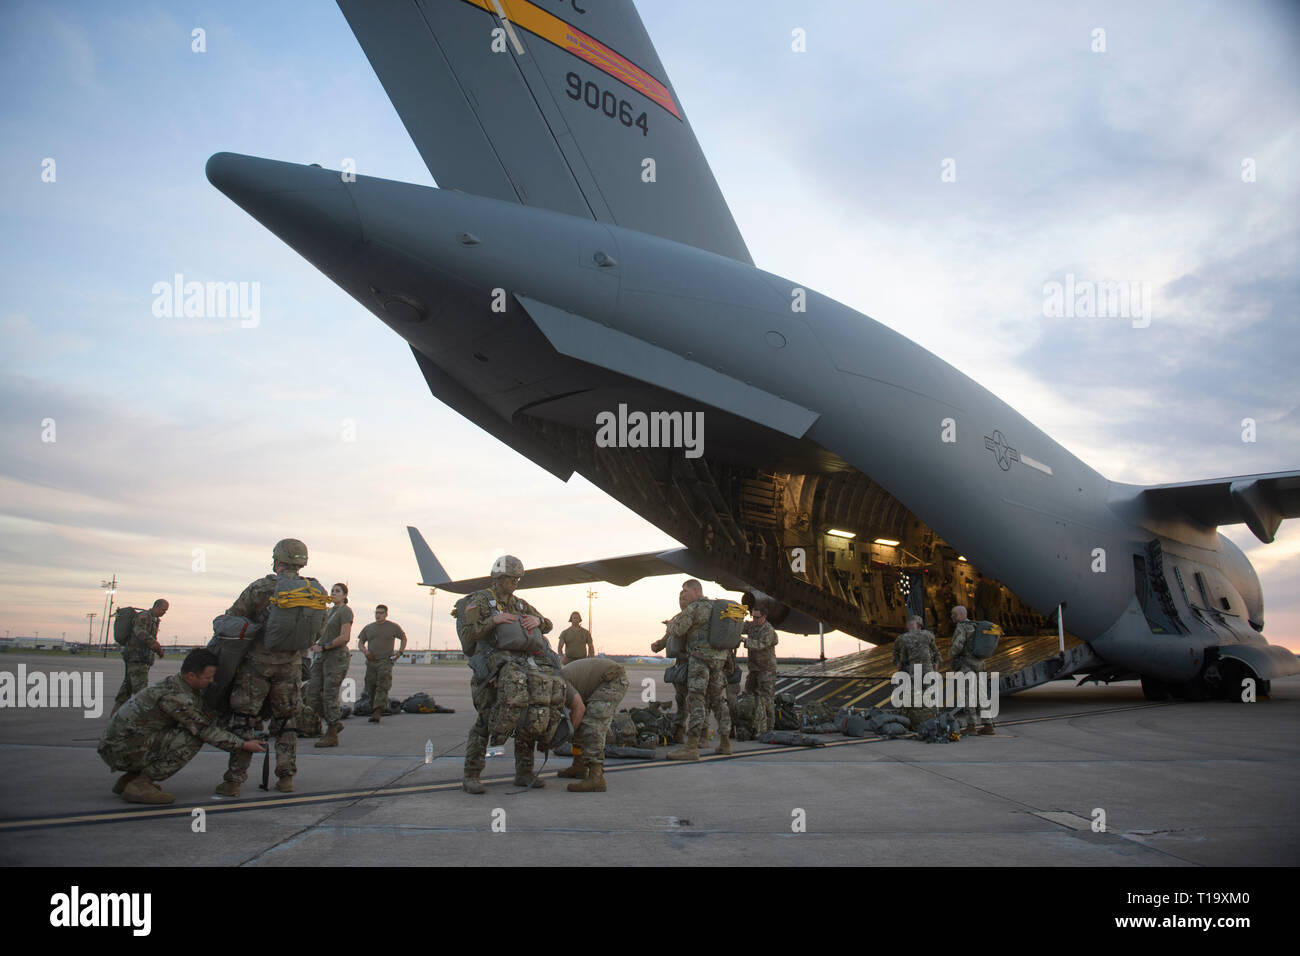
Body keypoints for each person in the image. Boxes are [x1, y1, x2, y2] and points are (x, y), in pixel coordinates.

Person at [214, 538, 320, 798]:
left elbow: (233, 616)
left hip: (257, 667)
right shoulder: (312, 590)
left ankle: (234, 780)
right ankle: (286, 778)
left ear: (278, 559)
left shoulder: (262, 588)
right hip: (291, 667)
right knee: (286, 722)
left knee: (246, 721)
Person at [99, 648, 265, 804]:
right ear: (191, 676)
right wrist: (243, 744)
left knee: (178, 732)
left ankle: (130, 779)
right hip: (121, 750)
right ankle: (141, 784)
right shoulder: (178, 698)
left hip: (121, 745)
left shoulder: (175, 684)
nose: (211, 681)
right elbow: (204, 730)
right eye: (207, 678)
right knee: (192, 737)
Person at [459, 555, 554, 794]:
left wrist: (538, 620)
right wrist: (493, 620)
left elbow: (549, 625)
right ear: (498, 577)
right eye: (512, 578)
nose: (516, 582)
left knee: (526, 720)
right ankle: (471, 775)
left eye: (518, 578)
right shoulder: (479, 601)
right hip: (491, 672)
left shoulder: (520, 604)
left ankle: (524, 773)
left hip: (520, 670)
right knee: (485, 720)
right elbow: (469, 636)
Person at [663, 579, 731, 760]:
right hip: (718, 661)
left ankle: (691, 747)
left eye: (685, 590)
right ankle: (725, 742)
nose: (683, 594)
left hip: (700, 659)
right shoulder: (716, 607)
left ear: (696, 590)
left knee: (696, 700)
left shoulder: (695, 608)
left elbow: (678, 630)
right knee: (718, 701)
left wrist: (670, 623)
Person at [556, 657, 629, 792]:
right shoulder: (556, 682)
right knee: (577, 721)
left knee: (592, 724)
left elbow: (579, 709)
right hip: (599, 682)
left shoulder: (560, 683)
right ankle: (579, 766)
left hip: (612, 680)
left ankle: (596, 777)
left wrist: (562, 738)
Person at [305, 583, 353, 747]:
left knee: (329, 695)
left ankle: (332, 734)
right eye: (332, 591)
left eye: (337, 591)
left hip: (336, 656)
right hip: (322, 655)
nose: (333, 593)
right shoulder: (329, 611)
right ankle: (334, 722)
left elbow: (345, 636)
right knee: (311, 693)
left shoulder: (345, 611)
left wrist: (325, 646)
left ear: (345, 595)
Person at [111, 599, 168, 716]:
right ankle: (140, 720)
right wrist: (155, 645)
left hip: (139, 657)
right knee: (141, 691)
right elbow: (139, 631)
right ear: (156, 607)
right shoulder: (144, 616)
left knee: (126, 689)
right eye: (163, 610)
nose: (164, 612)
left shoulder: (153, 619)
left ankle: (115, 715)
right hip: (136, 658)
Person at [651, 591, 691, 743]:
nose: (682, 601)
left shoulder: (695, 616)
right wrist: (658, 645)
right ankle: (680, 728)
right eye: (680, 598)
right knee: (680, 698)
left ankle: (698, 732)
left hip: (694, 662)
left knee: (696, 700)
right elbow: (668, 637)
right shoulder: (676, 619)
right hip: (680, 664)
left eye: (685, 598)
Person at [949, 605, 995, 735]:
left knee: (969, 694)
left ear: (960, 614)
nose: (952, 617)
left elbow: (958, 644)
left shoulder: (961, 627)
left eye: (953, 614)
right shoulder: (976, 625)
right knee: (982, 695)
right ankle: (988, 725)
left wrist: (950, 655)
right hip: (980, 664)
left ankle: (971, 726)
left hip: (967, 665)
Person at [356, 605, 406, 723]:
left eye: (381, 613)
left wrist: (400, 652)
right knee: (370, 686)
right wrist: (365, 651)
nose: (378, 615)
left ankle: (377, 711)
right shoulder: (369, 628)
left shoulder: (393, 627)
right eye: (376, 613)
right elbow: (361, 642)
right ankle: (374, 707)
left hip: (385, 661)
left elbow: (403, 638)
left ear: (386, 614)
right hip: (371, 661)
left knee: (382, 685)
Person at [742, 605, 780, 735]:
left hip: (766, 669)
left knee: (767, 699)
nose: (754, 619)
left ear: (764, 617)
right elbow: (740, 627)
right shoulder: (752, 626)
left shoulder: (768, 630)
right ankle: (754, 723)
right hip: (754, 669)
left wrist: (744, 640)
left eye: (757, 617)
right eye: (752, 616)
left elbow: (761, 645)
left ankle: (769, 728)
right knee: (749, 694)